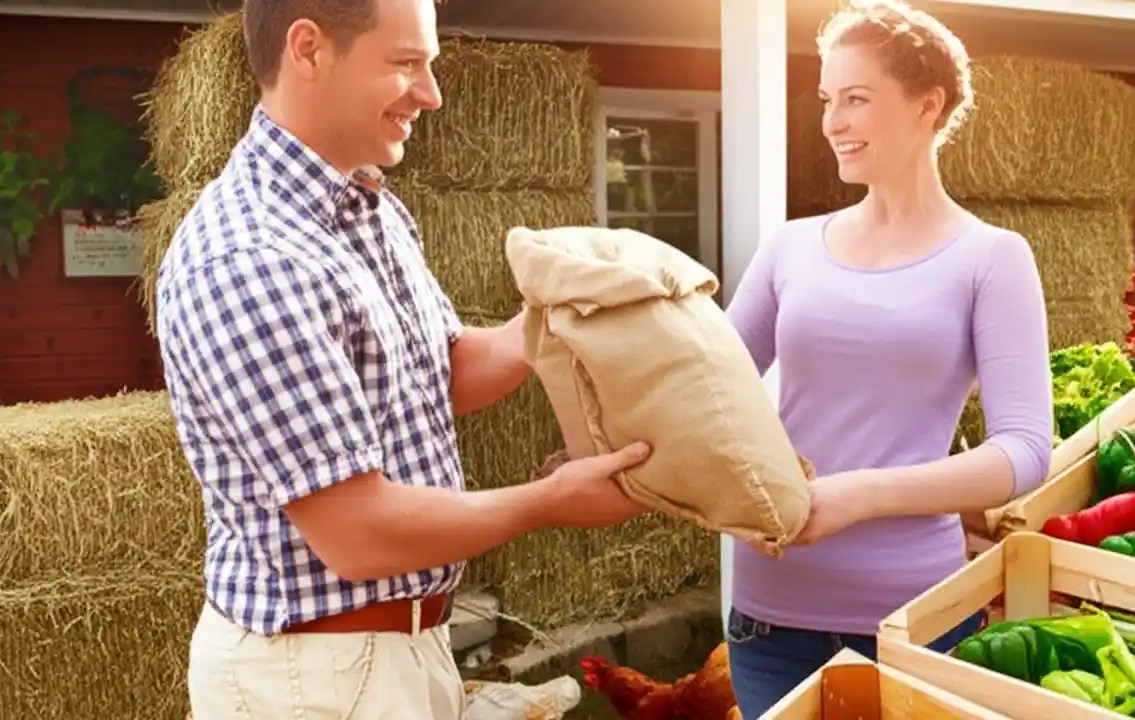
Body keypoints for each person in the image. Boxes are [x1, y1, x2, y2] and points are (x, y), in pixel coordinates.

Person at [154, 0, 654, 717]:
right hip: (312, 675)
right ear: (308, 49)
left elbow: (436, 374)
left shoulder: (374, 211)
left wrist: (549, 317)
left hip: (399, 650)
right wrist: (550, 503)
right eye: (406, 64)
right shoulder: (248, 256)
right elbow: (358, 535)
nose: (432, 94)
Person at [722, 0, 1054, 716]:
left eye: (856, 100)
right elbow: (704, 391)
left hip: (913, 618)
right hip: (769, 620)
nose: (832, 122)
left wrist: (858, 495)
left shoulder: (991, 259)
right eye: (826, 100)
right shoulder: (791, 247)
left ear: (926, 106)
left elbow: (1024, 452)